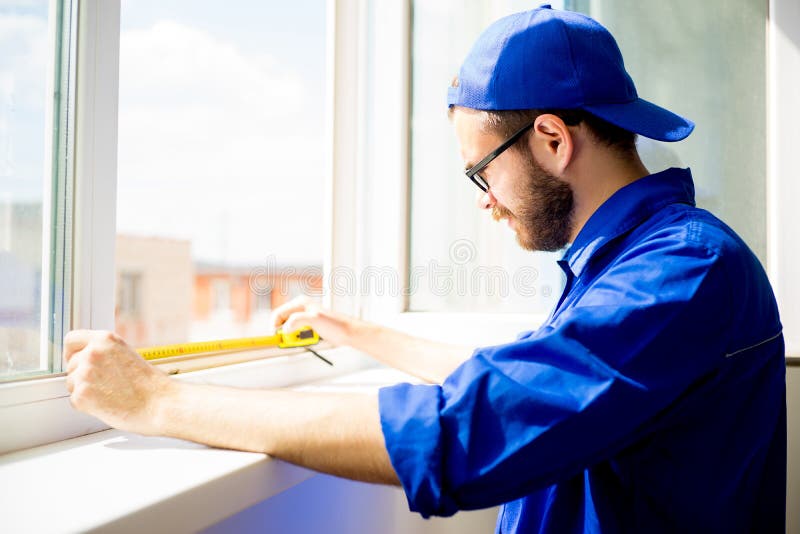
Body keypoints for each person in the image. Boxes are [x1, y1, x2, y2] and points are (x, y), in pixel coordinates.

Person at [63, 5, 786, 533]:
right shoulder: (637, 261)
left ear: (553, 139)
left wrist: (161, 403)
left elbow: (473, 430)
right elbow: (529, 381)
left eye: (480, 173)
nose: (485, 204)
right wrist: (355, 331)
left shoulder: (683, 272)